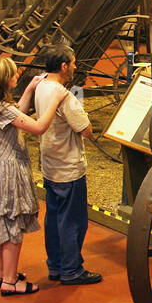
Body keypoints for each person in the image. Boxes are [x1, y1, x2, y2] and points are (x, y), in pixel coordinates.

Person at [0, 57, 66, 296]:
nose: (18, 76)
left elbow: (16, 117)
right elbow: (37, 127)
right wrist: (54, 102)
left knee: (0, 221)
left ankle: (0, 272)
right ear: (6, 80)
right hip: (10, 171)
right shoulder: (3, 108)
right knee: (13, 224)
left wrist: (28, 89)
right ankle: (10, 280)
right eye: (15, 74)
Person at [34, 45, 102, 285]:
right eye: (72, 62)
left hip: (50, 165)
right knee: (72, 220)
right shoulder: (65, 96)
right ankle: (71, 270)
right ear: (63, 67)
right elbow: (86, 130)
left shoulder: (40, 86)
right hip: (68, 168)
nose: (75, 66)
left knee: (53, 217)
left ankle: (56, 265)